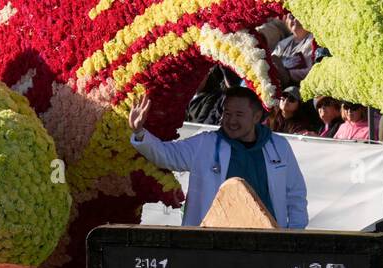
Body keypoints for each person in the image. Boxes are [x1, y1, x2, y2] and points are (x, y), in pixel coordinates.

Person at [129, 87, 308, 228]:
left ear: (256, 116)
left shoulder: (279, 145)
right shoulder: (205, 143)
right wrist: (139, 132)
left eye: (239, 115)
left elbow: (295, 192)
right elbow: (166, 155)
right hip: (213, 243)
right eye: (227, 113)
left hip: (266, 241)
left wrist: (294, 232)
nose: (231, 120)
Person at [271, 12, 317, 84]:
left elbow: (312, 71)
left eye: (299, 17)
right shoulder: (282, 43)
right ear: (286, 20)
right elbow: (272, 61)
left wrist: (288, 74)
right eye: (292, 17)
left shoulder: (314, 40)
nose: (295, 20)